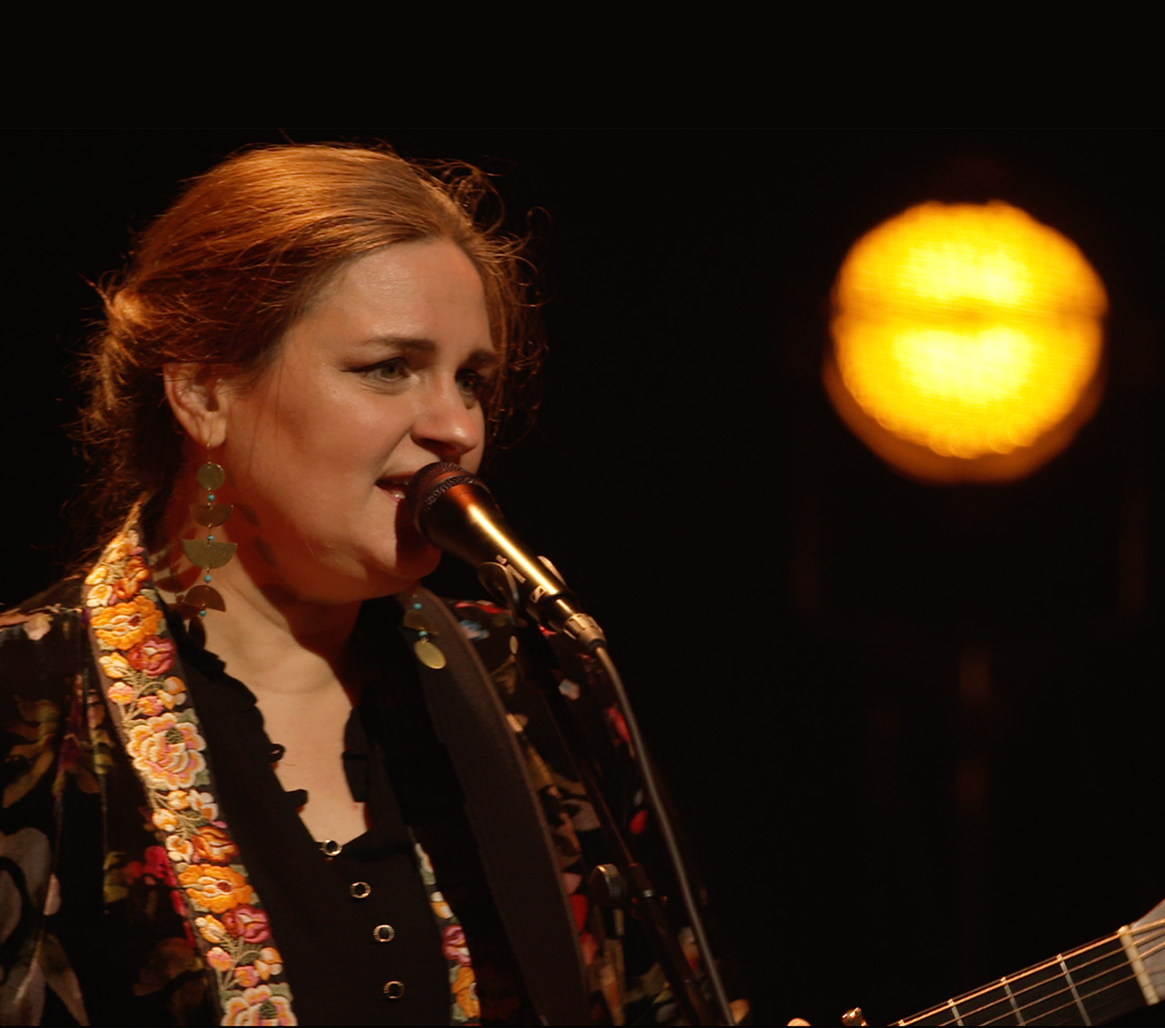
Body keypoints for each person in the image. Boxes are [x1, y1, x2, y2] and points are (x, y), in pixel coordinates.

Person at [0, 145, 690, 1026]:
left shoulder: (532, 681)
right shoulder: (27, 703)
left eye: (471, 380)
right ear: (205, 391)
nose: (454, 427)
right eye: (388, 368)